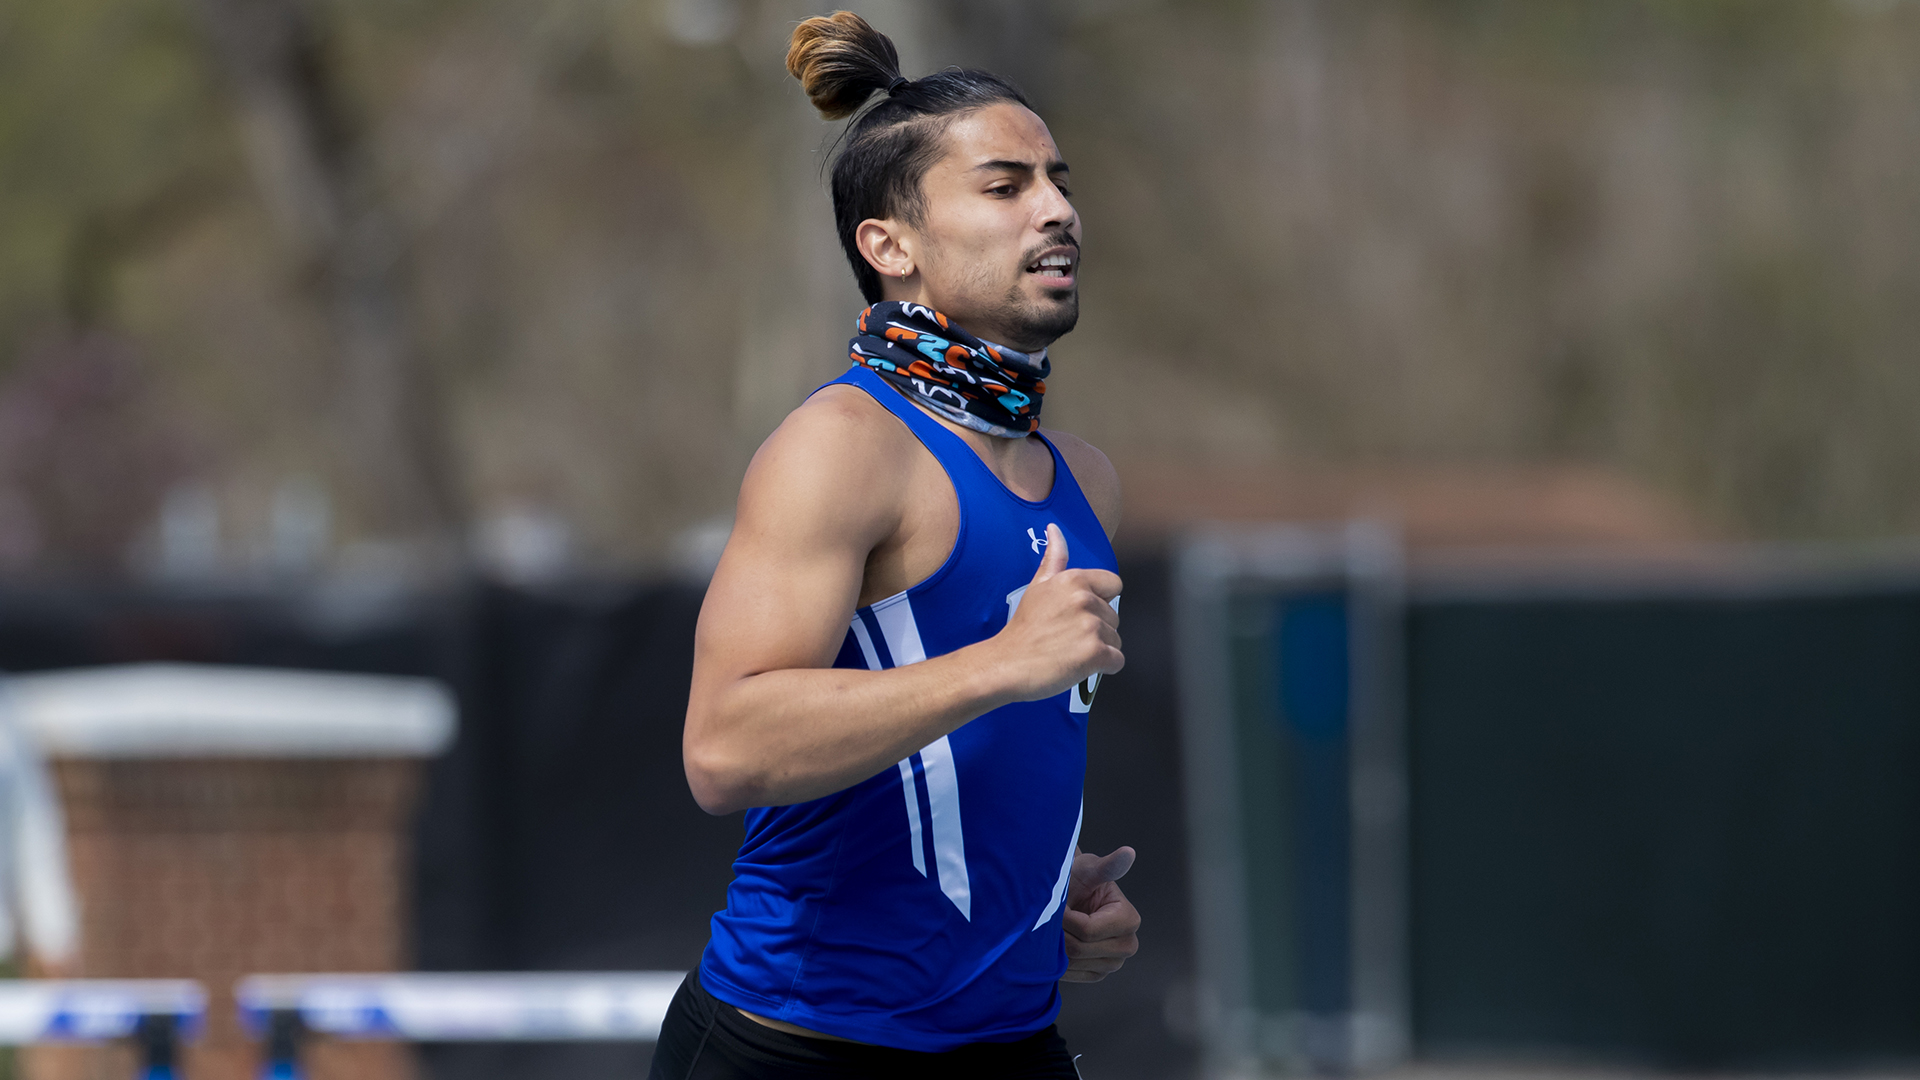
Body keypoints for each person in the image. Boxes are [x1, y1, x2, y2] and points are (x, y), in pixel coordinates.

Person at [653, 11, 1140, 1078]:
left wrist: (1046, 902)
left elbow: (966, 765)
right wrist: (1000, 663)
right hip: (797, 1048)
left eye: (1058, 180)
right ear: (891, 246)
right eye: (1005, 187)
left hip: (1012, 1044)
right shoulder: (840, 448)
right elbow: (723, 747)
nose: (1058, 210)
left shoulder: (1083, 477)